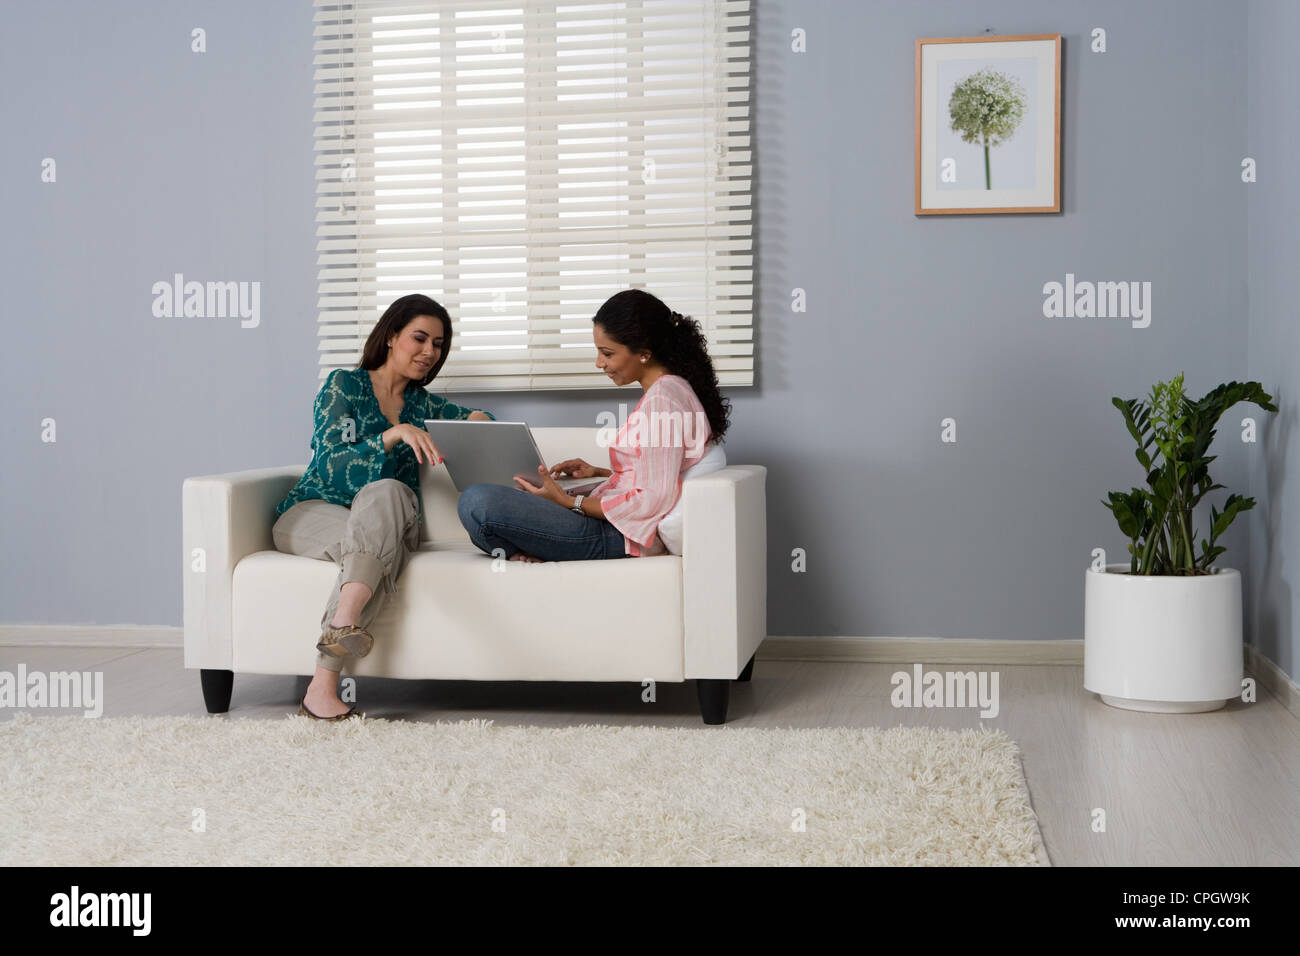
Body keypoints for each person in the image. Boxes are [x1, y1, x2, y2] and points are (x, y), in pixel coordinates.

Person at [272, 294, 495, 720]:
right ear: (391, 336)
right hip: (312, 513)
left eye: (439, 344)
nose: (430, 352)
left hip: (384, 525)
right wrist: (393, 436)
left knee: (387, 494)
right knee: (371, 552)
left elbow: (476, 416)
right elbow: (331, 465)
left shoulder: (423, 404)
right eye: (420, 338)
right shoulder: (344, 385)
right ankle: (325, 681)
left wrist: (480, 422)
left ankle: (330, 659)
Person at [457, 288, 731, 563]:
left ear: (644, 353)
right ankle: (527, 551)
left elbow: (651, 501)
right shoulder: (671, 391)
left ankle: (525, 551)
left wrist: (568, 502)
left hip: (620, 536)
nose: (599, 363)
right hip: (616, 528)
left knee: (476, 500)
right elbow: (657, 476)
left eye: (607, 353)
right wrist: (597, 473)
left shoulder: (663, 401)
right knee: (506, 493)